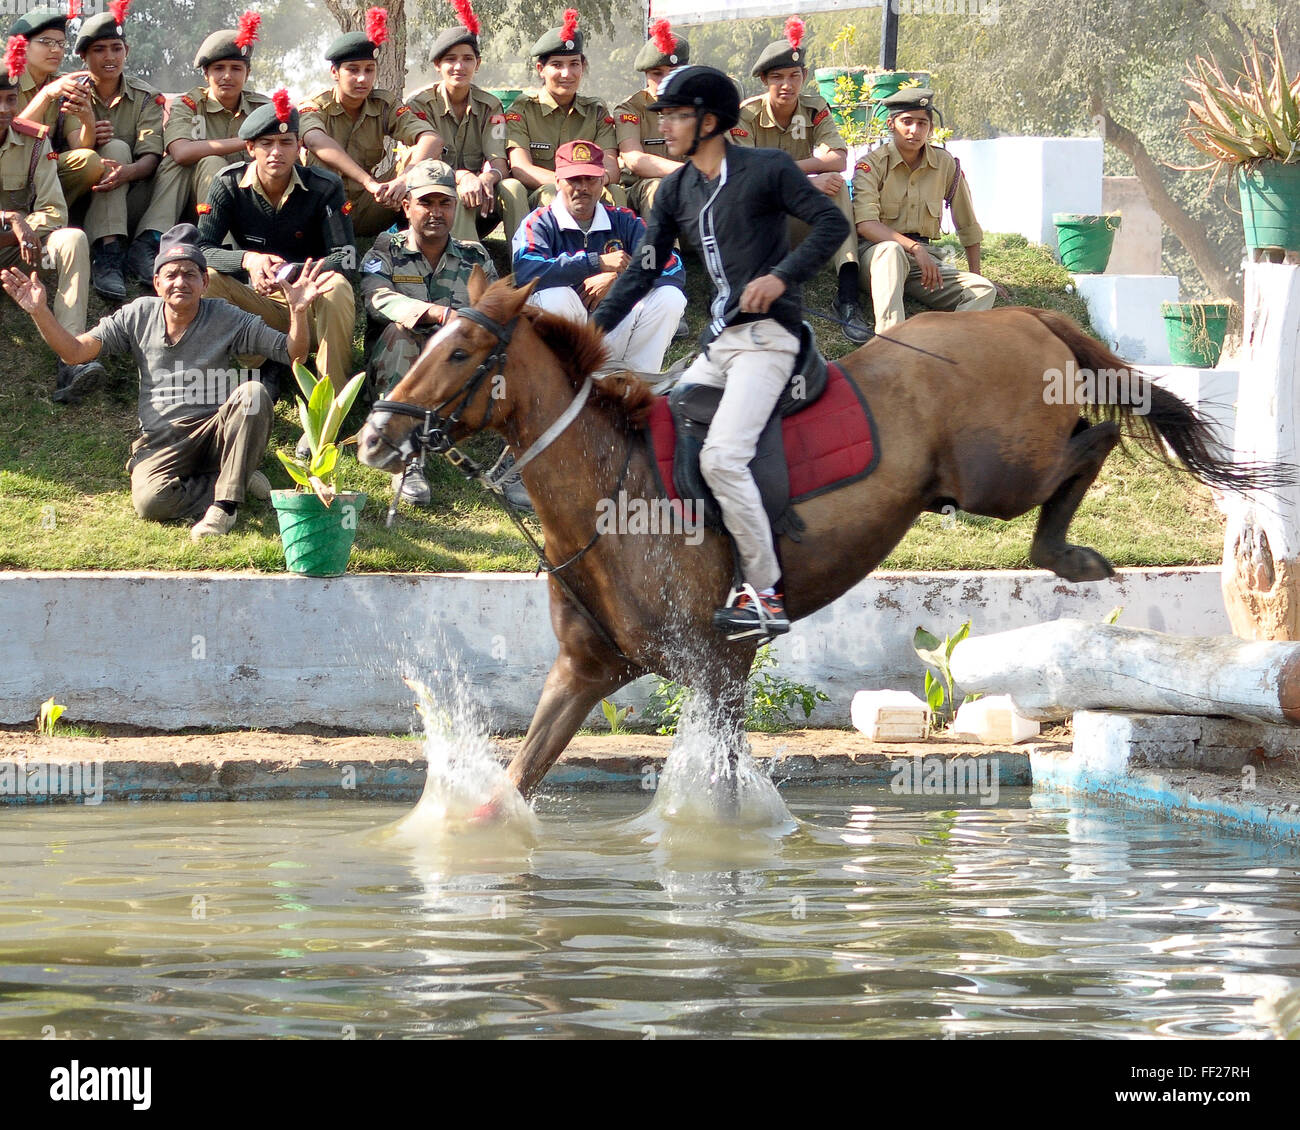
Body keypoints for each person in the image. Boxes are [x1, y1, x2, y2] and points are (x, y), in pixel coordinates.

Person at [593, 67, 849, 637]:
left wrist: (782, 277)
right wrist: (594, 330)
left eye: (676, 117)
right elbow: (645, 267)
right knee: (659, 428)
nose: (664, 129)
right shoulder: (676, 189)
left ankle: (767, 593)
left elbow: (831, 224)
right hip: (716, 346)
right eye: (662, 117)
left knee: (722, 459)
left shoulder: (770, 169)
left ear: (709, 122)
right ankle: (702, 561)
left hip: (769, 341)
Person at [1, 224, 327, 539]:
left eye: (189, 274)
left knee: (253, 394)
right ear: (157, 283)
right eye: (171, 274)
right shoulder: (137, 314)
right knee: (150, 502)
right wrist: (40, 311)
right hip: (162, 441)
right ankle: (232, 477)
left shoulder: (226, 315)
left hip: (216, 432)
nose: (180, 282)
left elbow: (292, 353)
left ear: (203, 281)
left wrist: (298, 312)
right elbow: (75, 353)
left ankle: (224, 507)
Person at [196, 91, 357, 398]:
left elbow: (346, 257)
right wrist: (249, 261)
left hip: (309, 304)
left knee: (336, 285)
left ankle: (329, 398)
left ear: (299, 147)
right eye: (266, 143)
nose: (276, 152)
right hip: (259, 304)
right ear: (250, 148)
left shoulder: (324, 187)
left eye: (286, 143)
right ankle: (259, 363)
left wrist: (287, 272)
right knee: (209, 280)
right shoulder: (228, 184)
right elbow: (202, 249)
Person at [360, 159, 498, 505]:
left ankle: (515, 455)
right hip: (403, 370)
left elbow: (496, 311)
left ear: (455, 207)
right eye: (425, 202)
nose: (435, 212)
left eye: (444, 203)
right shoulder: (385, 250)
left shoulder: (475, 256)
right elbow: (376, 300)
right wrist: (437, 313)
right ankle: (406, 459)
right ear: (407, 206)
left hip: (457, 370)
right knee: (399, 334)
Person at [730, 18, 871, 343]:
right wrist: (802, 180)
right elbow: (748, 177)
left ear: (804, 77)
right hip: (763, 224)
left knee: (835, 184)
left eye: (794, 76)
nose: (787, 85)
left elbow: (838, 157)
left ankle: (847, 297)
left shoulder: (814, 108)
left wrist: (791, 175)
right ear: (764, 80)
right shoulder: (746, 115)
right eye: (777, 77)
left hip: (797, 220)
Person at [513, 139, 684, 375]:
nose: (583, 187)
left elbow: (672, 268)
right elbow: (525, 270)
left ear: (603, 180)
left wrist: (618, 277)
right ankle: (565, 382)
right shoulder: (540, 221)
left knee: (670, 297)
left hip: (614, 324)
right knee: (555, 295)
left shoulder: (624, 220)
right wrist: (595, 263)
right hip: (563, 334)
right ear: (557, 181)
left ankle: (639, 382)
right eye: (574, 179)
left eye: (590, 179)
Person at [130, 11, 270, 278]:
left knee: (215, 162)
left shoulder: (262, 109)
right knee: (183, 160)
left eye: (236, 68)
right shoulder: (189, 104)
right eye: (218, 68)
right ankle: (151, 240)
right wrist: (248, 140)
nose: (227, 76)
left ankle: (224, 250)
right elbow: (181, 151)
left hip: (243, 203)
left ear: (247, 73)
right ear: (206, 74)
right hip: (186, 203)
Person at [0, 39, 98, 404]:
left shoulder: (35, 142)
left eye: (11, 100)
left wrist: (23, 229)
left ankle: (70, 358)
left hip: (17, 254)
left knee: (71, 238)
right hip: (15, 237)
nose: (4, 109)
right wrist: (12, 218)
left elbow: (54, 211)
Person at [853, 87, 996, 333]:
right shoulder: (871, 165)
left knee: (983, 290)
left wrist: (977, 274)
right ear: (891, 123)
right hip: (876, 258)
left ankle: (943, 343)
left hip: (924, 265)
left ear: (930, 127)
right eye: (906, 122)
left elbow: (967, 224)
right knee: (891, 251)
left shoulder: (945, 164)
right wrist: (914, 248)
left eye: (922, 123)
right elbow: (866, 225)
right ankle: (891, 340)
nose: (914, 131)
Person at [298, 6, 443, 238]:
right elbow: (316, 141)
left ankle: (420, 247)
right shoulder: (315, 105)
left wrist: (404, 179)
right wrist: (368, 182)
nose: (362, 79)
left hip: (368, 206)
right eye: (353, 70)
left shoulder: (383, 104)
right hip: (320, 208)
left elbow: (432, 139)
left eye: (369, 70)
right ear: (334, 72)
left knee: (424, 163)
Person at [66, 2, 163, 303]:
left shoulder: (145, 97)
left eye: (116, 48)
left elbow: (150, 156)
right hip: (83, 200)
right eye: (99, 50)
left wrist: (128, 172)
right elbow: (78, 152)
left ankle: (145, 245)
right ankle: (107, 255)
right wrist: (89, 127)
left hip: (130, 197)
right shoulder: (72, 91)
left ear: (126, 51)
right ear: (83, 56)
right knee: (116, 147)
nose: (109, 57)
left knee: (174, 162)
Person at [499, 9, 622, 244]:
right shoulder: (523, 110)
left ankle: (614, 261)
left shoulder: (596, 112)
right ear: (540, 70)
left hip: (588, 193)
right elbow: (521, 167)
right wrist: (568, 185)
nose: (566, 73)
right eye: (557, 65)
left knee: (614, 191)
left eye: (574, 64)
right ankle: (532, 265)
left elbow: (611, 168)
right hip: (539, 194)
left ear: (582, 67)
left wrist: (591, 185)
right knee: (551, 192)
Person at [403, 0, 508, 244]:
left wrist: (487, 178)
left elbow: (499, 164)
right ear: (438, 65)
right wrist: (462, 177)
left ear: (477, 64)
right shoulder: (419, 105)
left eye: (467, 59)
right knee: (453, 191)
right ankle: (466, 269)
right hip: (429, 199)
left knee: (512, 189)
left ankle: (528, 265)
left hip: (479, 200)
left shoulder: (490, 106)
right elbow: (422, 167)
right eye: (450, 59)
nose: (459, 67)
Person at [10, 7, 103, 210]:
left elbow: (80, 146)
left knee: (90, 162)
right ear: (22, 46)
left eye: (61, 44)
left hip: (42, 165)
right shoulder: (6, 80)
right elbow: (9, 138)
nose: (56, 50)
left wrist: (88, 119)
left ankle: (51, 218)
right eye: (46, 42)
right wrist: (46, 95)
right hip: (7, 166)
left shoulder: (62, 85)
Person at [613, 18, 687, 219]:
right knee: (657, 187)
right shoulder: (631, 109)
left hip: (689, 184)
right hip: (640, 189)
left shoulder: (698, 108)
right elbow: (635, 160)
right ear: (646, 74)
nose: (666, 81)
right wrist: (691, 172)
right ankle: (660, 251)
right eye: (657, 73)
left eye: (675, 73)